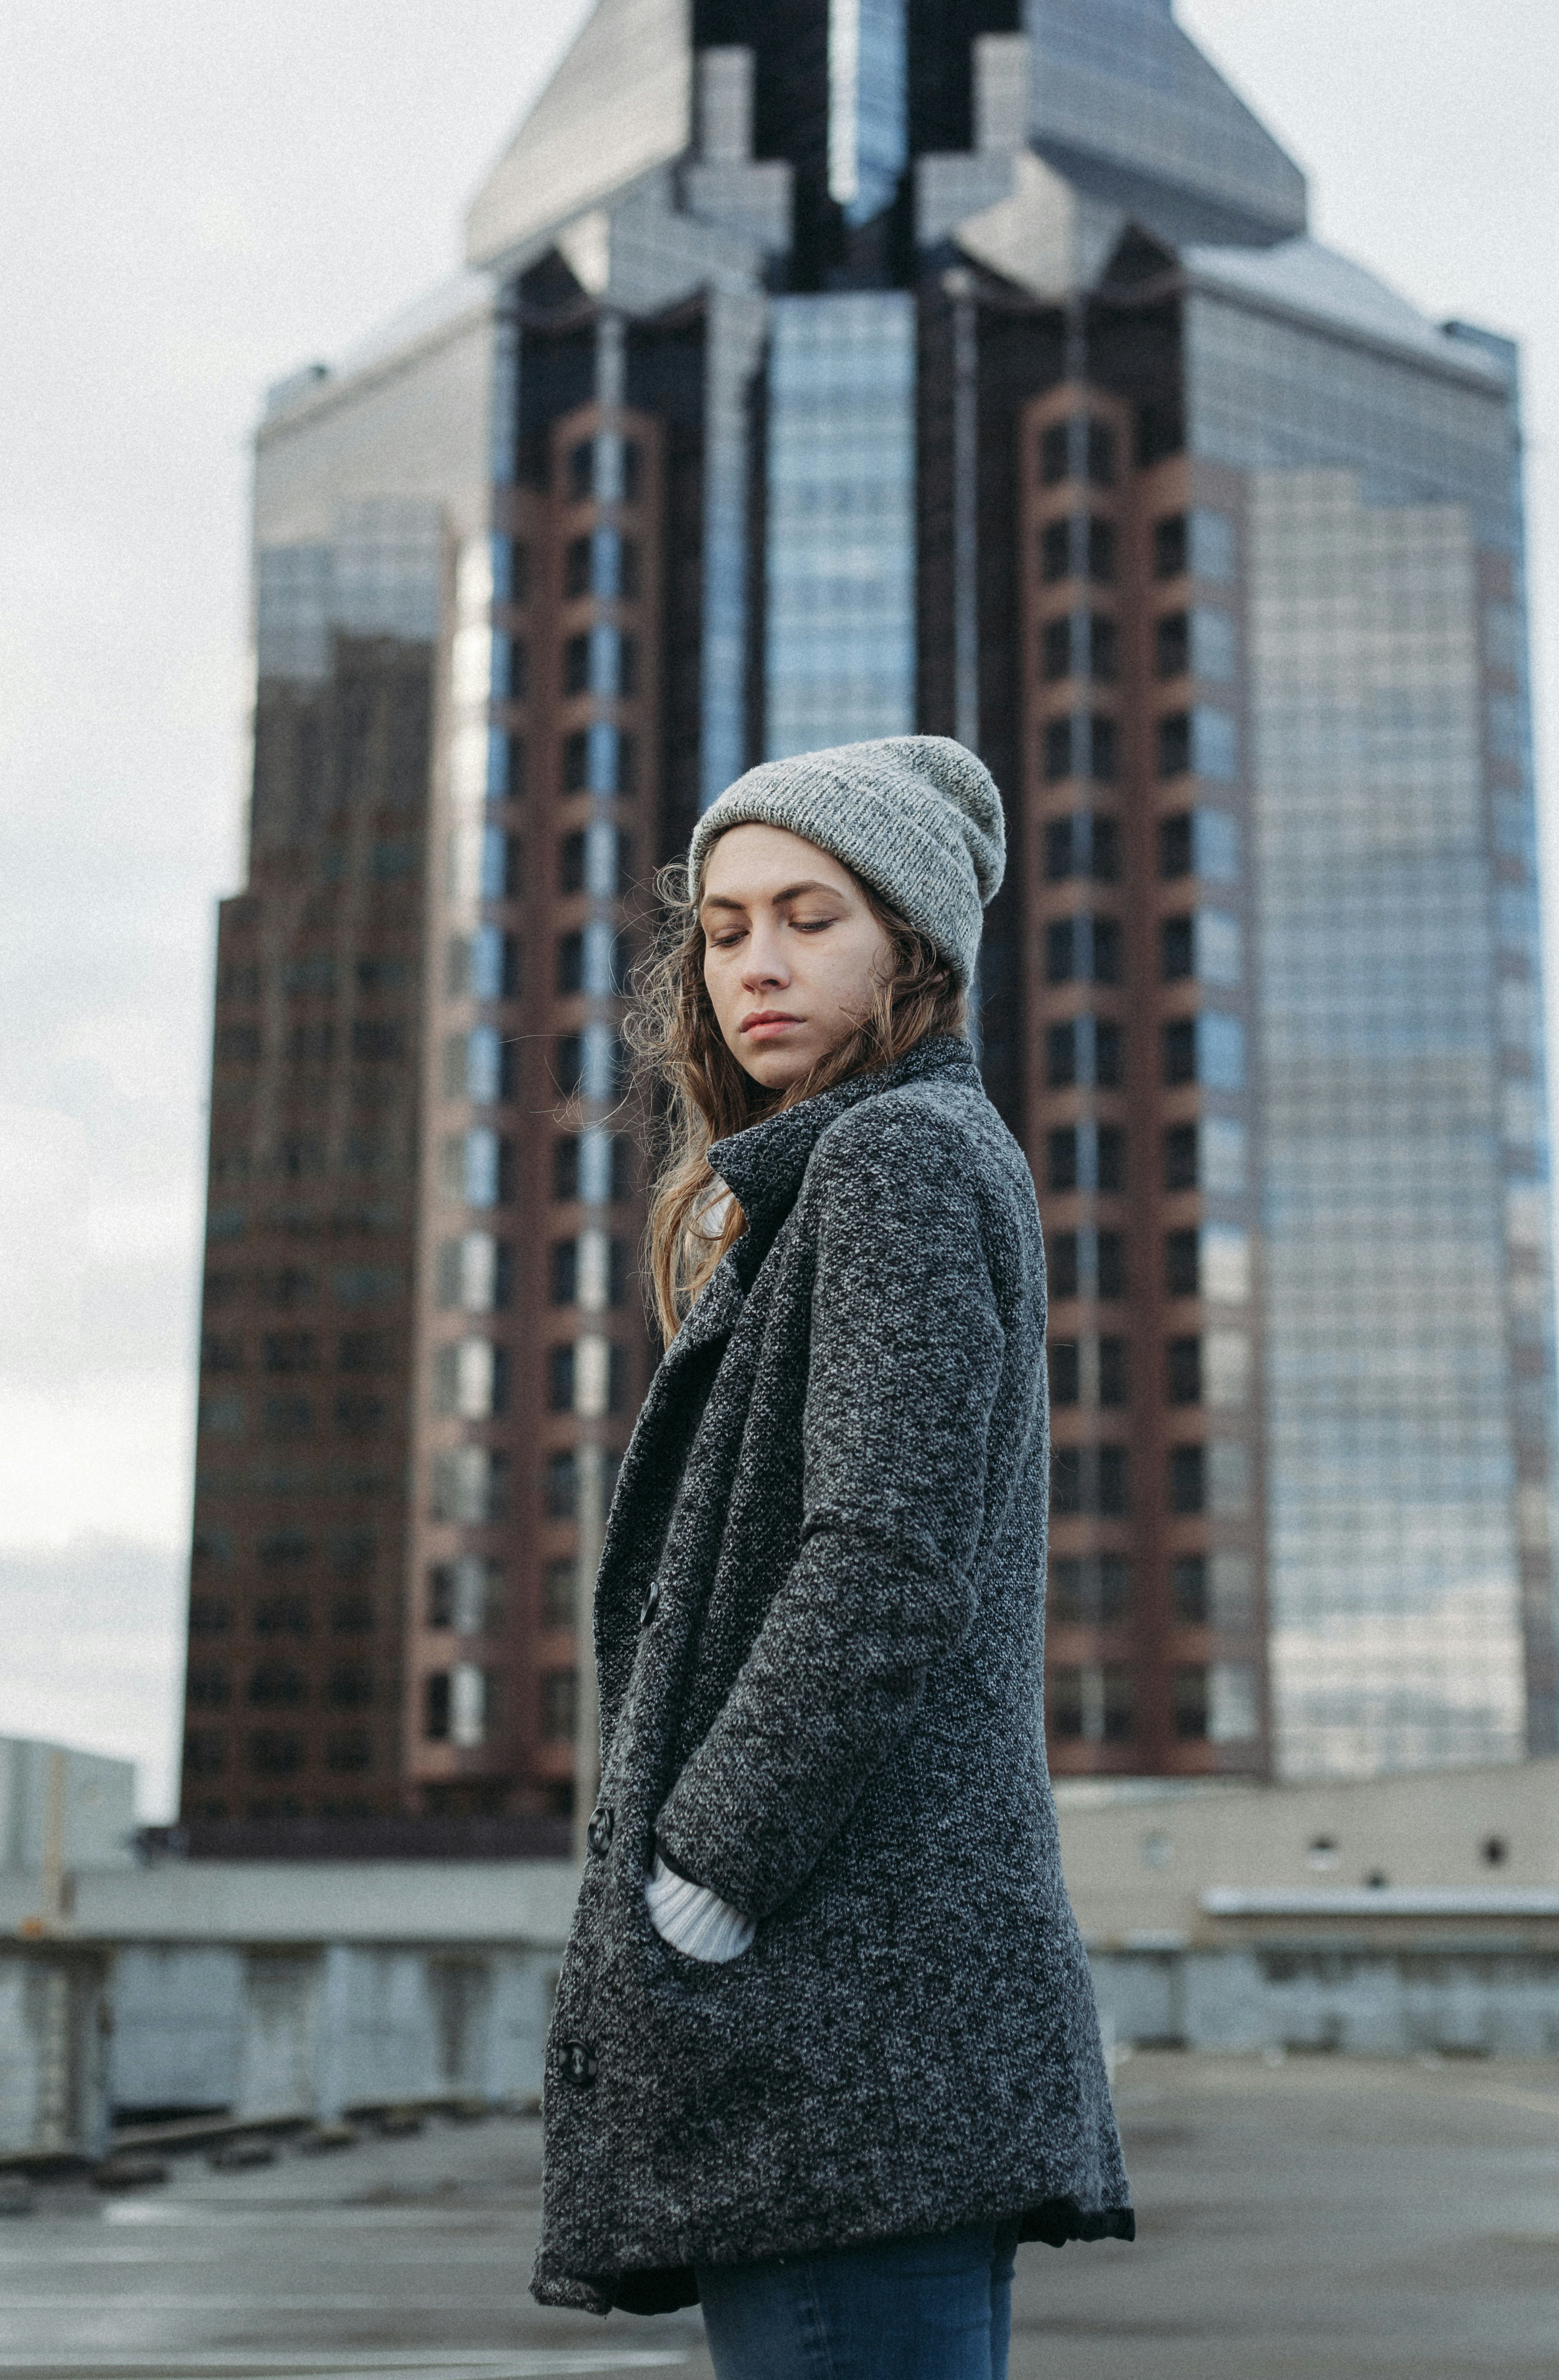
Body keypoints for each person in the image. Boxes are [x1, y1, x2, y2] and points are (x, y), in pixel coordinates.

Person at [533, 734, 1132, 2377]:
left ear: (910, 947)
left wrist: (709, 1867)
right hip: (877, 1998)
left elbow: (883, 1554)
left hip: (840, 1995)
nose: (756, 963)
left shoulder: (894, 1161)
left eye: (809, 917)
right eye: (724, 928)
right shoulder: (862, 1170)